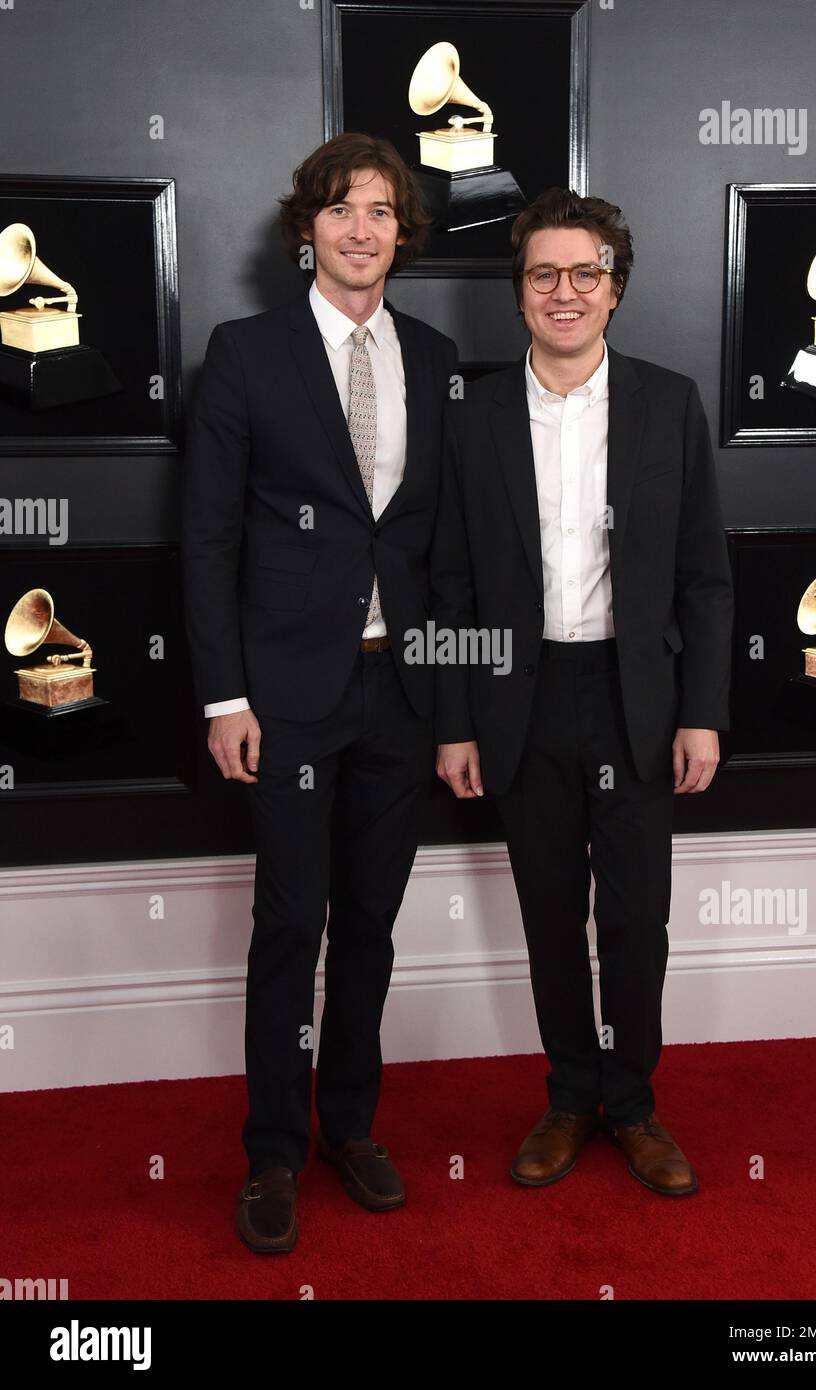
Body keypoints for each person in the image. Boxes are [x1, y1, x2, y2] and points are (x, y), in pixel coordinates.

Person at [182, 133, 457, 1252]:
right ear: (309, 226)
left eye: (382, 210)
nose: (361, 228)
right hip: (286, 695)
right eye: (341, 208)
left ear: (402, 231)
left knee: (372, 926)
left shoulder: (435, 358)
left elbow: (444, 541)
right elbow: (203, 539)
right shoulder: (243, 353)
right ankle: (271, 1151)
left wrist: (453, 700)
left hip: (400, 691)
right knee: (291, 922)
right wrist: (221, 698)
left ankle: (349, 1124)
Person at [432, 187, 733, 1196]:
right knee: (548, 910)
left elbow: (702, 575)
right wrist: (456, 719)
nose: (563, 293)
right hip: (518, 696)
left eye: (583, 274)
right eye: (542, 275)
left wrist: (700, 709)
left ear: (615, 289)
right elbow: (451, 578)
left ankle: (634, 1105)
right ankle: (569, 1099)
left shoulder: (667, 400)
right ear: (518, 291)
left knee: (634, 918)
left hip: (632, 695)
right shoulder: (469, 413)